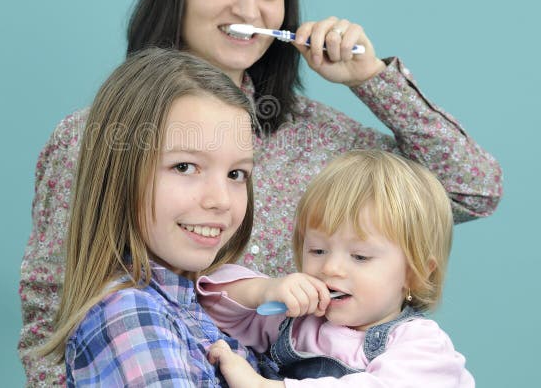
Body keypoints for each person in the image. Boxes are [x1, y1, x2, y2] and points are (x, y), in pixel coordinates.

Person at [19, 0, 502, 385]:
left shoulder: (312, 133)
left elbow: (471, 189)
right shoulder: (99, 132)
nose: (248, 8)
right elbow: (51, 312)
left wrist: (372, 79)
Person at [40, 47, 264, 385]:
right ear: (119, 174)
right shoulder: (129, 316)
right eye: (185, 167)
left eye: (236, 174)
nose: (220, 200)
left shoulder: (203, 308)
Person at [202, 150, 474, 386]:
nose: (331, 267)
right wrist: (265, 290)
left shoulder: (422, 344)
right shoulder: (295, 322)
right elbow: (205, 304)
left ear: (414, 274)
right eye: (318, 251)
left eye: (360, 256)